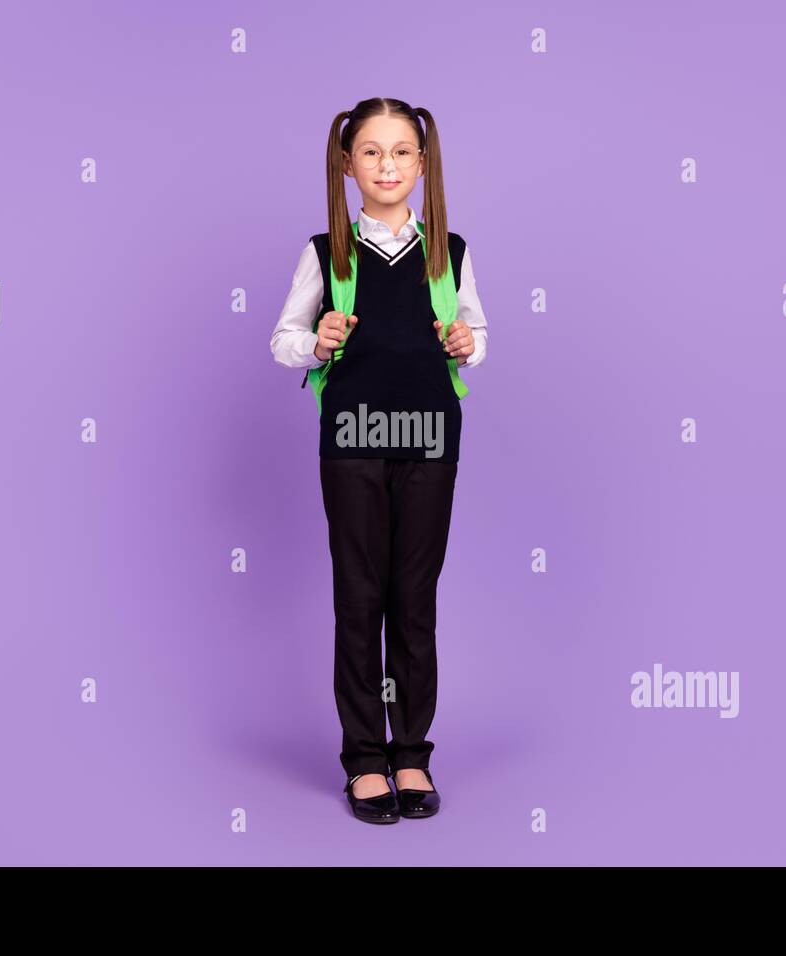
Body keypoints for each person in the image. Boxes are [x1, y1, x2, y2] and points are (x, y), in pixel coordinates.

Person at [269, 97, 489, 824]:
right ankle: (365, 758)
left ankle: (412, 754)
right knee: (360, 598)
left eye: (401, 152)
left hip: (430, 439)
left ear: (422, 166)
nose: (386, 164)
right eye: (371, 151)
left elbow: (476, 332)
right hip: (355, 440)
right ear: (346, 163)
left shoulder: (448, 252)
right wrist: (319, 339)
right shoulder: (327, 252)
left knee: (413, 599)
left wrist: (467, 343)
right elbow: (284, 341)